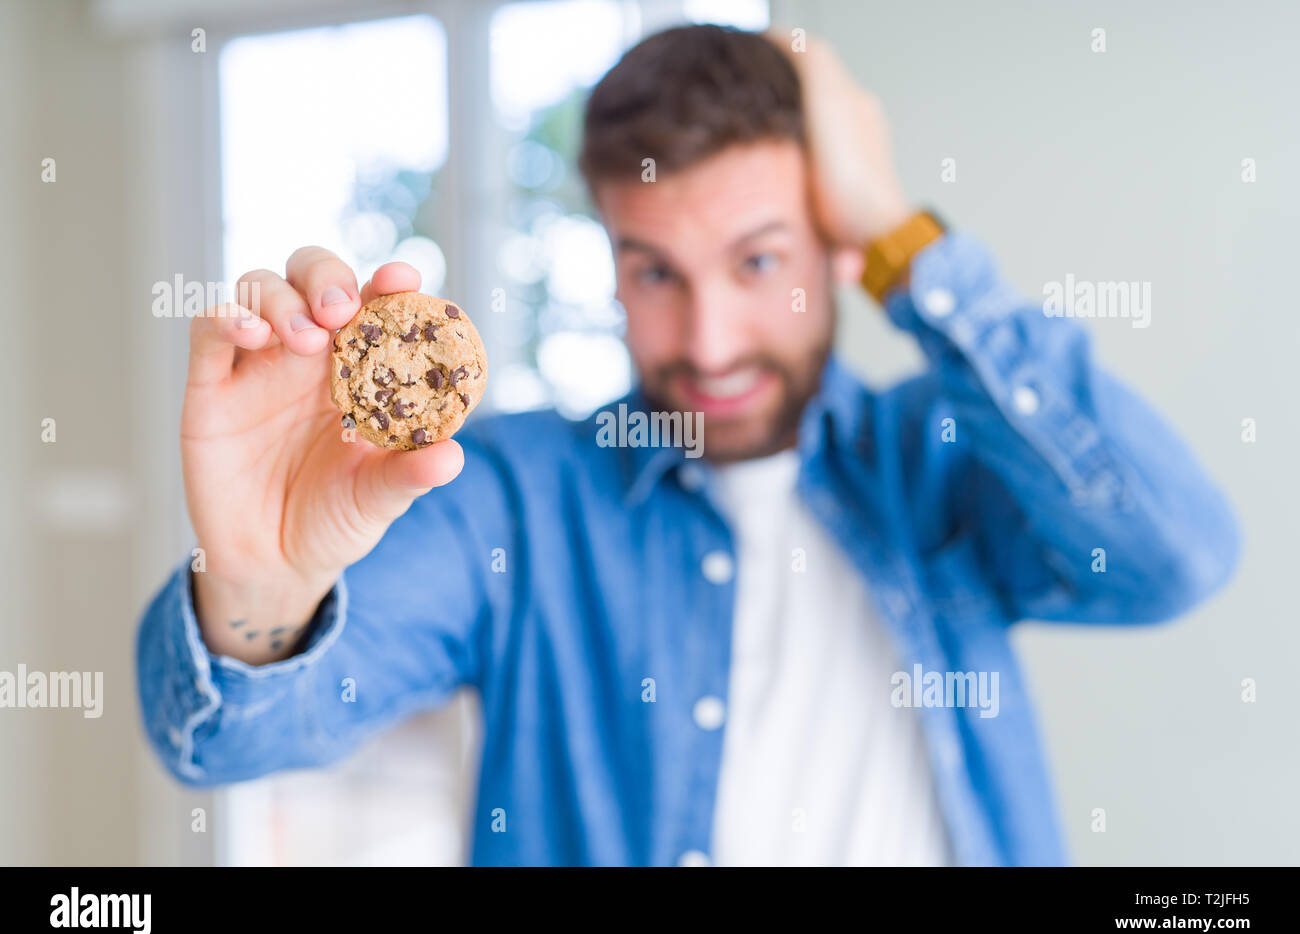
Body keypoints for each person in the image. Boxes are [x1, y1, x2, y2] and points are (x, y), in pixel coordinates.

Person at [136, 25, 1238, 866]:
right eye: (654, 272)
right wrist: (261, 589)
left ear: (837, 244)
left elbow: (1173, 556)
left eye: (758, 262)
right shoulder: (510, 496)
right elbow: (219, 743)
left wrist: (910, 240)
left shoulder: (944, 461)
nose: (708, 341)